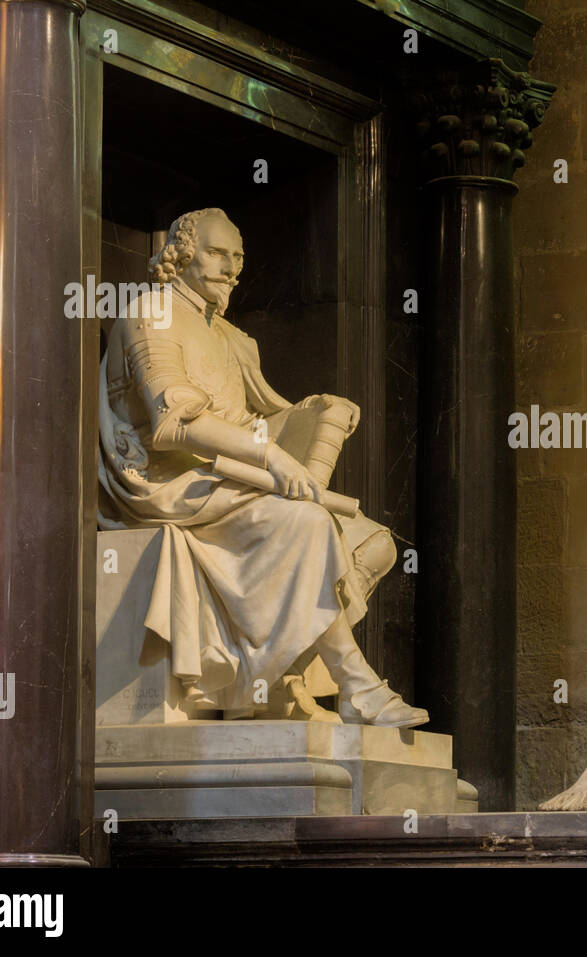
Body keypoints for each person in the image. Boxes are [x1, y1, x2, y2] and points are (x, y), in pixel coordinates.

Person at [97, 207, 426, 728]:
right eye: (217, 253)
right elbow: (170, 424)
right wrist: (270, 456)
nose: (231, 268)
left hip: (233, 479)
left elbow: (260, 418)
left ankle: (279, 674)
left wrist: (317, 413)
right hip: (170, 482)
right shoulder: (150, 314)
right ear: (181, 254)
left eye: (238, 257)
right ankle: (359, 686)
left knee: (373, 543)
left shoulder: (232, 339)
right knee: (309, 524)